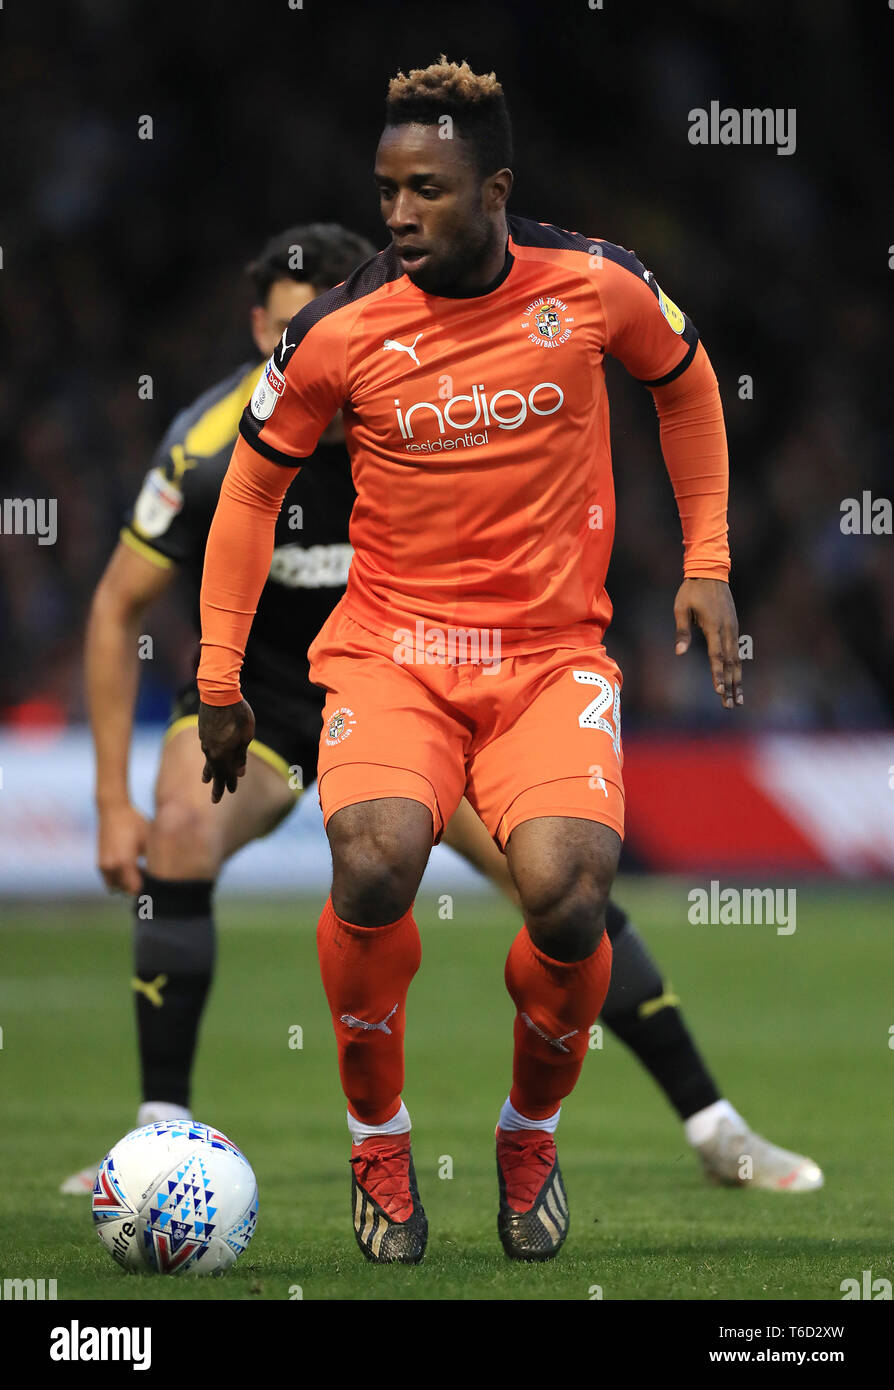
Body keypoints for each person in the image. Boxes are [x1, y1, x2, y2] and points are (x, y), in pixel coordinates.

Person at [195, 60, 820, 1266]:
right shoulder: (340, 328)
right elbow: (250, 489)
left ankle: (527, 1130)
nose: (398, 215)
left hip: (547, 656)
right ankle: (379, 1143)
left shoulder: (593, 283)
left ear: (496, 189)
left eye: (426, 190)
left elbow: (686, 388)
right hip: (392, 655)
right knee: (373, 863)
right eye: (386, 191)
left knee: (571, 896)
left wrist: (708, 558)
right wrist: (221, 673)